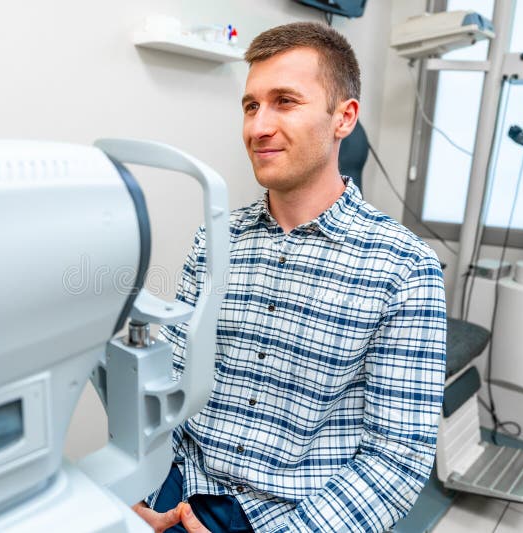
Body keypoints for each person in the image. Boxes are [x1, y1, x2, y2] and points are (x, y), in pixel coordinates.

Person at [133, 21, 446, 532]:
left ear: (344, 118)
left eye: (285, 101)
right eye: (251, 105)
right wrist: (139, 488)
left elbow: (397, 459)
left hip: (288, 516)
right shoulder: (216, 239)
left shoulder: (404, 268)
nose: (258, 127)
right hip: (176, 489)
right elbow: (171, 382)